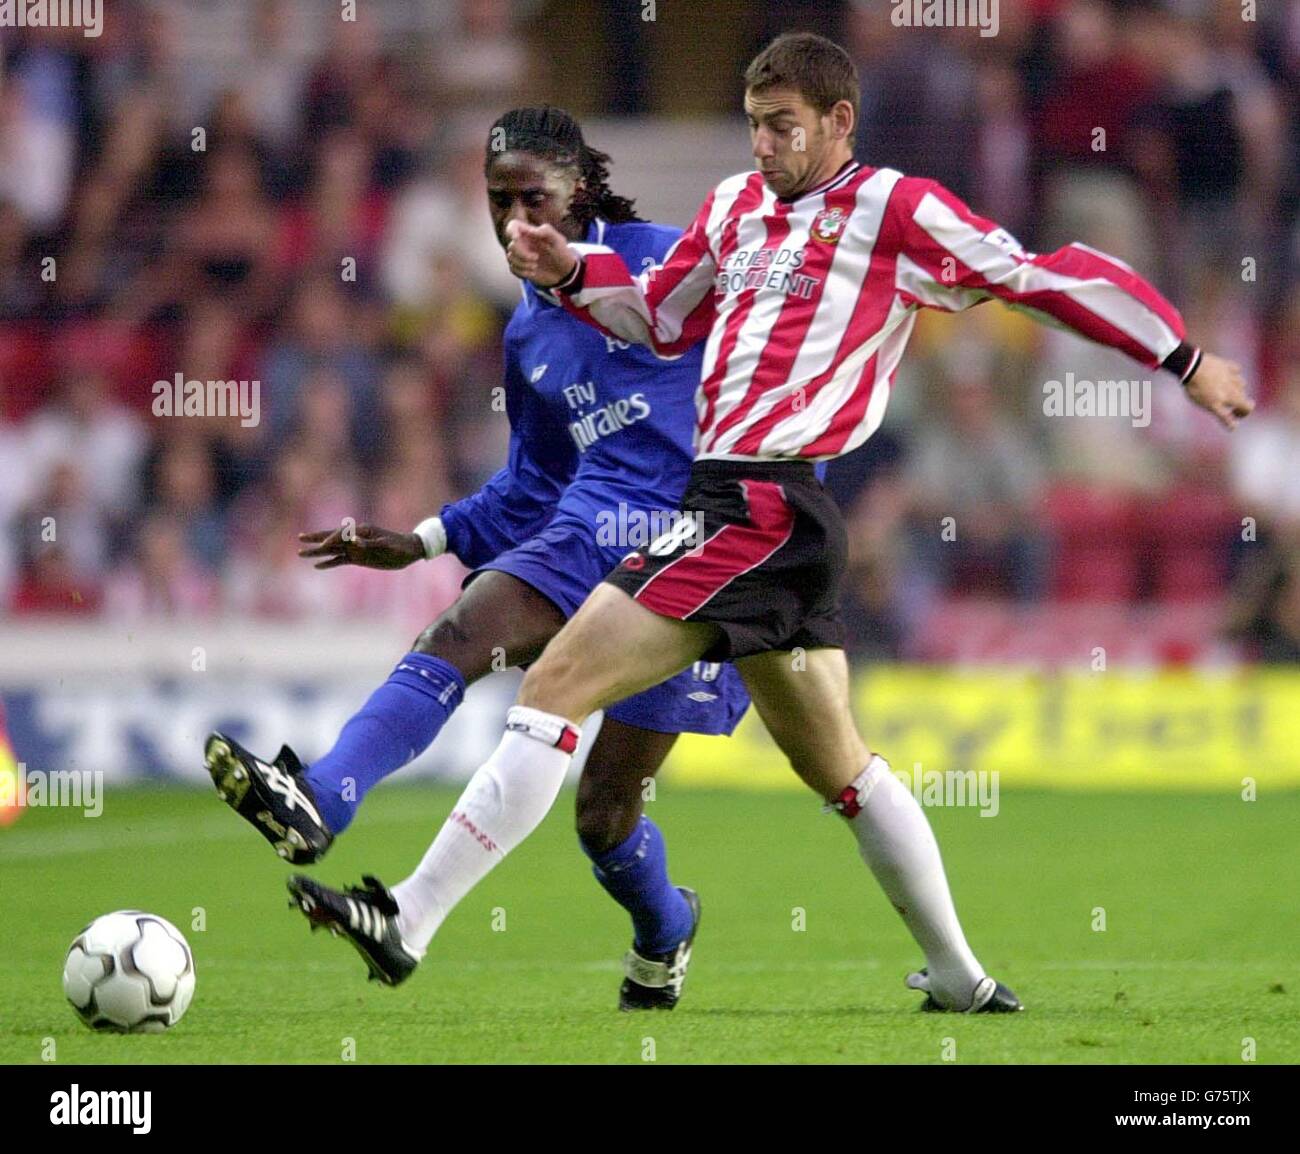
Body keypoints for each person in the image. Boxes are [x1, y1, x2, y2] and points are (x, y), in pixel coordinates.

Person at [291, 32, 1254, 1014]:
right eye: (753, 124)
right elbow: (659, 318)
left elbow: (1044, 276)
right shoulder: (733, 210)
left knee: (555, 682)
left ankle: (407, 918)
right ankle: (961, 974)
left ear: (839, 123)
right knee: (839, 765)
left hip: (764, 502)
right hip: (752, 512)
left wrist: (1182, 360)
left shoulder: (894, 208)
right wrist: (570, 269)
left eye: (781, 126)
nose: (761, 145)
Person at [205, 106, 751, 1010]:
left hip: (702, 540)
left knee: (606, 818)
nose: (512, 222)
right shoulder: (529, 335)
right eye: (498, 201)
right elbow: (530, 490)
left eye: (532, 198)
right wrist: (419, 538)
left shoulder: (669, 256)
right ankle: (320, 798)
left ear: (579, 189)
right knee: (463, 626)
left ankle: (666, 929)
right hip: (591, 528)